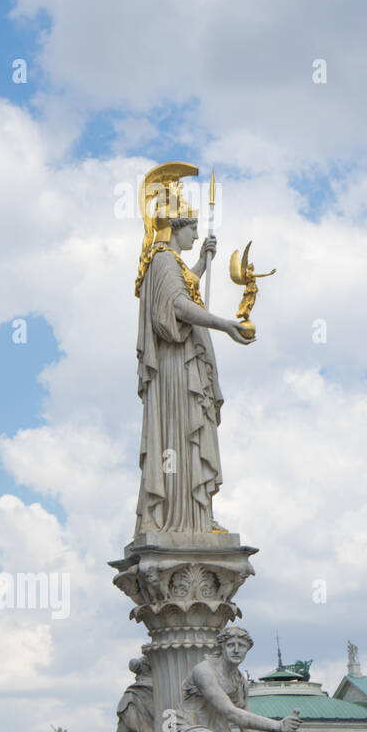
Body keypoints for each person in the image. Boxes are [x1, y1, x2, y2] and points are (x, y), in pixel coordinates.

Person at [133, 169, 253, 537]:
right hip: (176, 370)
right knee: (182, 437)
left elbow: (183, 293)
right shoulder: (163, 260)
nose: (197, 234)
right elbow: (179, 309)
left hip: (181, 366)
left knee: (187, 437)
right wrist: (225, 324)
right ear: (175, 225)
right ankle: (182, 519)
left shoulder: (169, 262)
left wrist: (201, 263)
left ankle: (195, 516)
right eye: (192, 228)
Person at [167, 627, 298, 732]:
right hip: (188, 731)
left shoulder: (240, 681)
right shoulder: (204, 671)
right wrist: (278, 726)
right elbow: (231, 713)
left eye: (241, 646)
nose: (236, 650)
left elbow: (246, 728)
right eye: (230, 645)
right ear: (222, 648)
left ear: (247, 649)